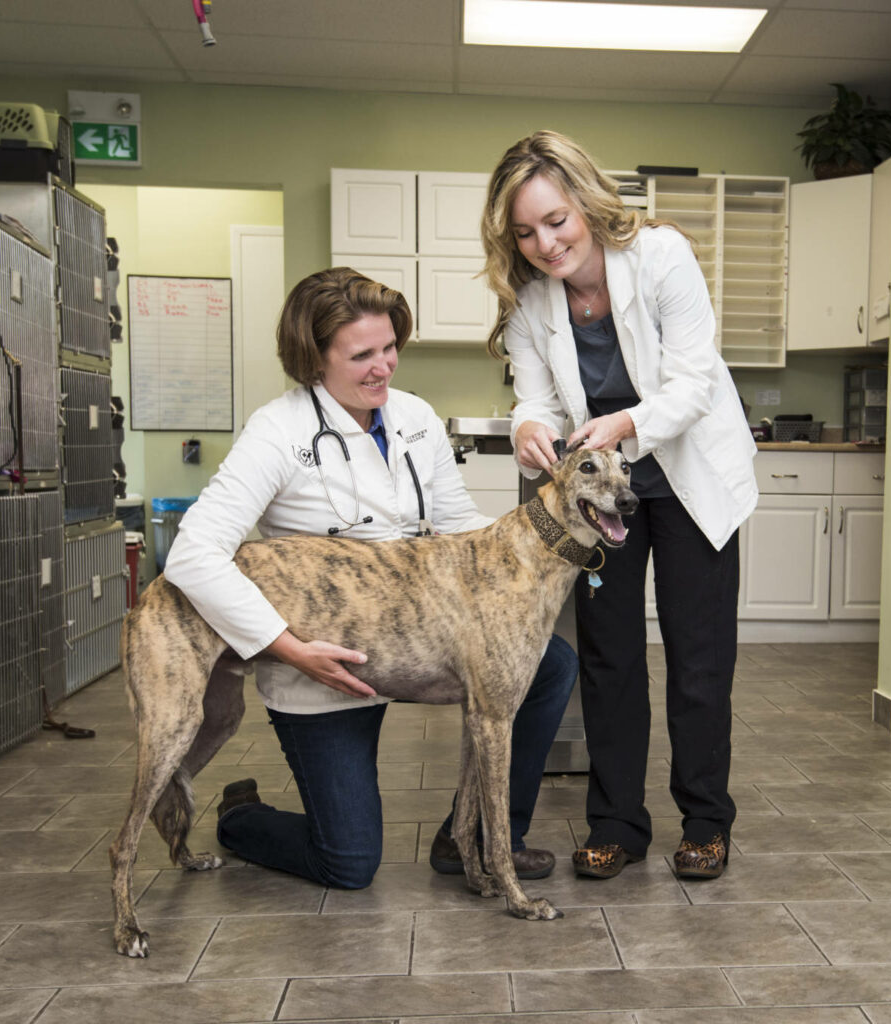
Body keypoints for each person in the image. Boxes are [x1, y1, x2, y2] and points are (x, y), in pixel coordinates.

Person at [162, 267, 577, 890]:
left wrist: (544, 537)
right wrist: (288, 649)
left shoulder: (414, 416)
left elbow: (461, 525)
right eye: (362, 355)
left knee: (552, 663)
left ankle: (490, 835)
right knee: (349, 863)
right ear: (314, 359)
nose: (384, 367)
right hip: (324, 665)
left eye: (390, 348)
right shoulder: (277, 432)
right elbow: (192, 555)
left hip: (412, 642)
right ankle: (242, 814)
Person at [479, 130, 758, 880]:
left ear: (587, 203)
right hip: (602, 502)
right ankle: (618, 825)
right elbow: (532, 395)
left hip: (688, 482)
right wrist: (530, 425)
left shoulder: (661, 257)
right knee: (609, 658)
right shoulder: (530, 299)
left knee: (699, 661)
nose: (544, 243)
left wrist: (629, 423)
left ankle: (705, 821)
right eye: (526, 232)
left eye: (556, 221)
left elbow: (694, 384)